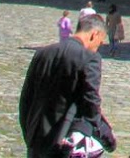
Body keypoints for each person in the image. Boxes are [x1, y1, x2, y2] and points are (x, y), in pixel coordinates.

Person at [18, 14, 116, 158]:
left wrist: (30, 135)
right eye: (100, 43)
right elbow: (90, 103)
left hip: (36, 141)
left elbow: (26, 100)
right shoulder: (89, 58)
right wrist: (106, 135)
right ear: (94, 34)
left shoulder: (43, 53)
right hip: (64, 143)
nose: (97, 48)